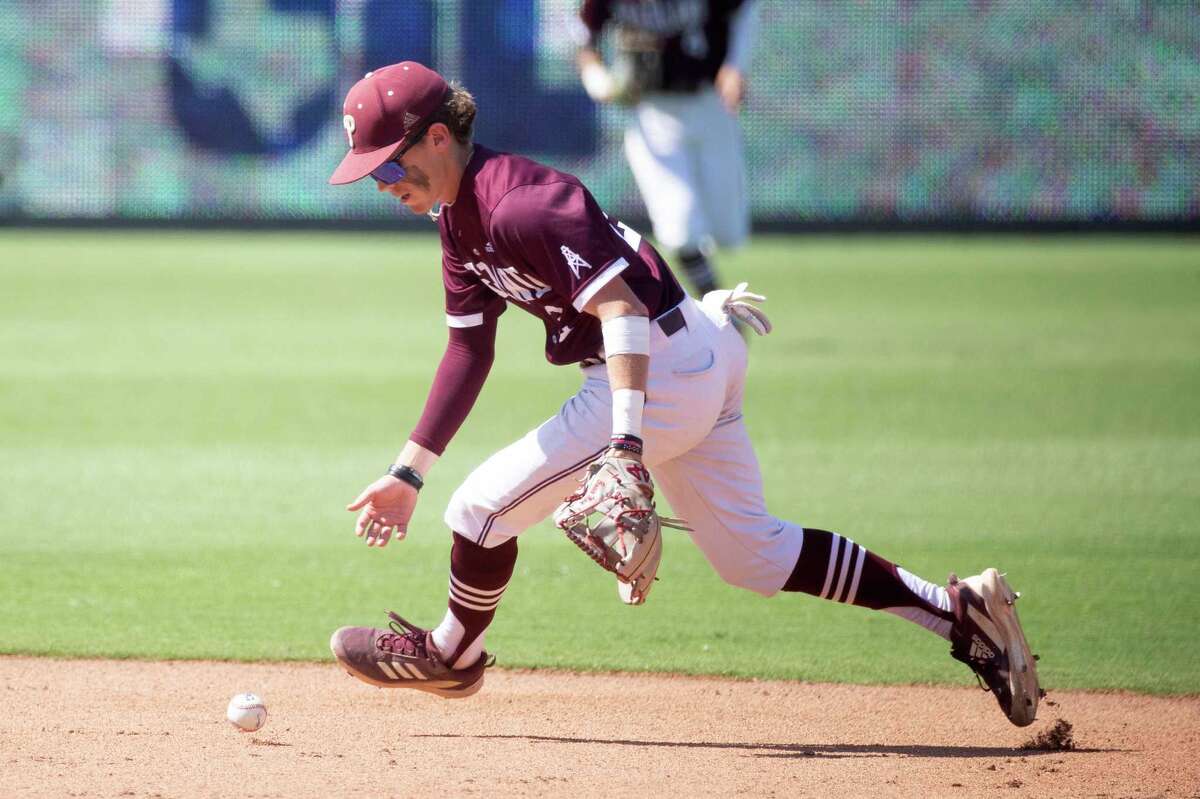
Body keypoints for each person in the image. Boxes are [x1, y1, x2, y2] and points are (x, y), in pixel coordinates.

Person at [325, 61, 1042, 726]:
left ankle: (451, 654)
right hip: (691, 353)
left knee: (479, 511)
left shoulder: (519, 204)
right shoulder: (457, 222)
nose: (383, 184)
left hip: (652, 370)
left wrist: (625, 444)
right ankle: (958, 611)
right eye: (371, 173)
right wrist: (407, 472)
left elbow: (621, 309)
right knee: (753, 557)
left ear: (439, 138)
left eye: (388, 165)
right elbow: (469, 349)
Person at [574, 0, 757, 298]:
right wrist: (594, 75)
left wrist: (736, 65)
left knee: (728, 230)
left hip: (710, 101)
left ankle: (712, 297)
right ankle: (716, 303)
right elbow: (584, 34)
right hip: (651, 109)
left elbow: (743, 9)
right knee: (678, 227)